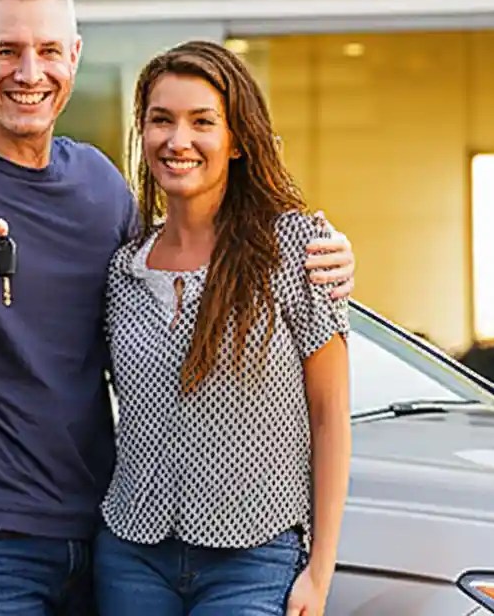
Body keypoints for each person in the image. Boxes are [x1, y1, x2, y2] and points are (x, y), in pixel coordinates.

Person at [0, 0, 356, 615]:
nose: (29, 72)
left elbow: (188, 278)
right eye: (7, 51)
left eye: (48, 51)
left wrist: (324, 260)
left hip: (105, 529)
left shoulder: (97, 183)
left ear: (75, 58)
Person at [94, 40, 352, 616]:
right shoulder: (123, 268)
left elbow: (331, 417)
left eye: (202, 122)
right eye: (161, 120)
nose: (177, 140)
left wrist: (320, 571)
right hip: (133, 556)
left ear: (236, 140)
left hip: (254, 560)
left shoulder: (293, 248)